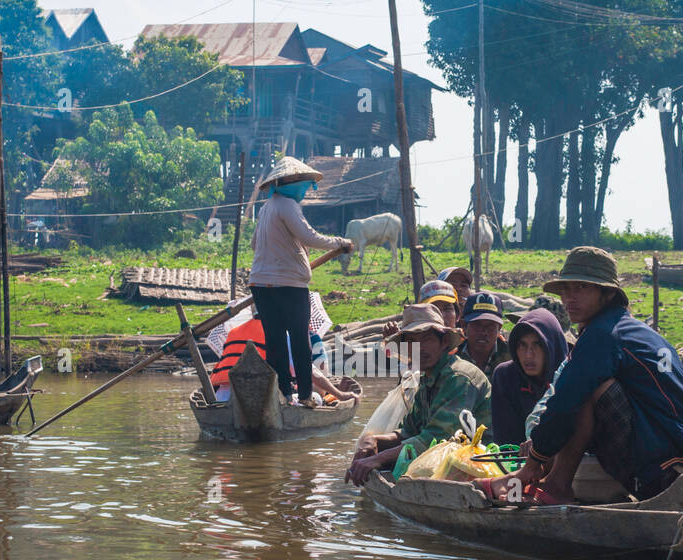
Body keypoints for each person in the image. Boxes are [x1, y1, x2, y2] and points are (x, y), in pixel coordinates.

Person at [479, 246, 683, 504]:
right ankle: (551, 479)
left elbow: (565, 401)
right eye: (566, 290)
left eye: (581, 288)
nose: (570, 298)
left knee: (587, 389)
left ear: (607, 293)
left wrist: (534, 462)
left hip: (666, 468)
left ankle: (556, 486)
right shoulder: (635, 331)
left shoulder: (603, 334)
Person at [346, 303, 491, 486]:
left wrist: (379, 458)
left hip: (480, 465)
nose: (420, 348)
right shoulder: (427, 378)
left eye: (427, 339)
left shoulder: (458, 377)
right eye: (412, 342)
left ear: (444, 341)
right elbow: (409, 431)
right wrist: (373, 440)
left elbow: (436, 439)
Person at [250, 156, 353, 407]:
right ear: (287, 183)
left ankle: (285, 395)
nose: (304, 188)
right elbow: (309, 236)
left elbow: (255, 244)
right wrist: (339, 242)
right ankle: (305, 396)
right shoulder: (287, 205)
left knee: (274, 341)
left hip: (260, 285)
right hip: (289, 285)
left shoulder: (266, 208)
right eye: (300, 183)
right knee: (299, 339)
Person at [209, 309, 355, 404]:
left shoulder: (233, 332)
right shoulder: (281, 334)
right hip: (263, 403)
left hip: (223, 400)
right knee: (316, 398)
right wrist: (339, 394)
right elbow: (311, 372)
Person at [489, 306, 568, 446]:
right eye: (522, 345)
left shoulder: (571, 376)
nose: (528, 355)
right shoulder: (505, 376)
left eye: (538, 345)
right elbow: (506, 444)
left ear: (552, 346)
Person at [456, 292, 511, 379]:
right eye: (477, 325)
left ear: (499, 329)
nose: (483, 332)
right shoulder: (452, 357)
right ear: (464, 326)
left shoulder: (512, 358)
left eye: (491, 326)